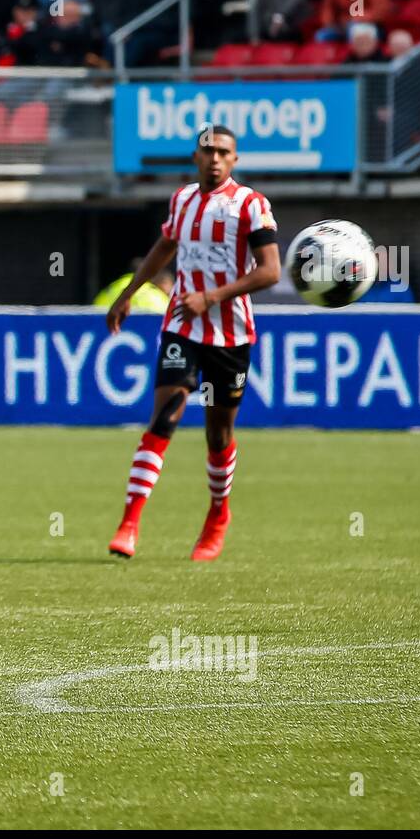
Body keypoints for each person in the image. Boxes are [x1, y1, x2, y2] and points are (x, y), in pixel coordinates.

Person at [105, 125, 281, 562]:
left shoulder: (251, 205)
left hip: (231, 334)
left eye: (223, 151)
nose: (215, 158)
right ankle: (129, 523)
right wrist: (128, 294)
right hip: (182, 326)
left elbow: (271, 271)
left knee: (218, 435)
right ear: (196, 157)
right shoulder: (183, 200)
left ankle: (218, 516)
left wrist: (213, 297)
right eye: (208, 151)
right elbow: (164, 247)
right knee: (165, 415)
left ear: (234, 160)